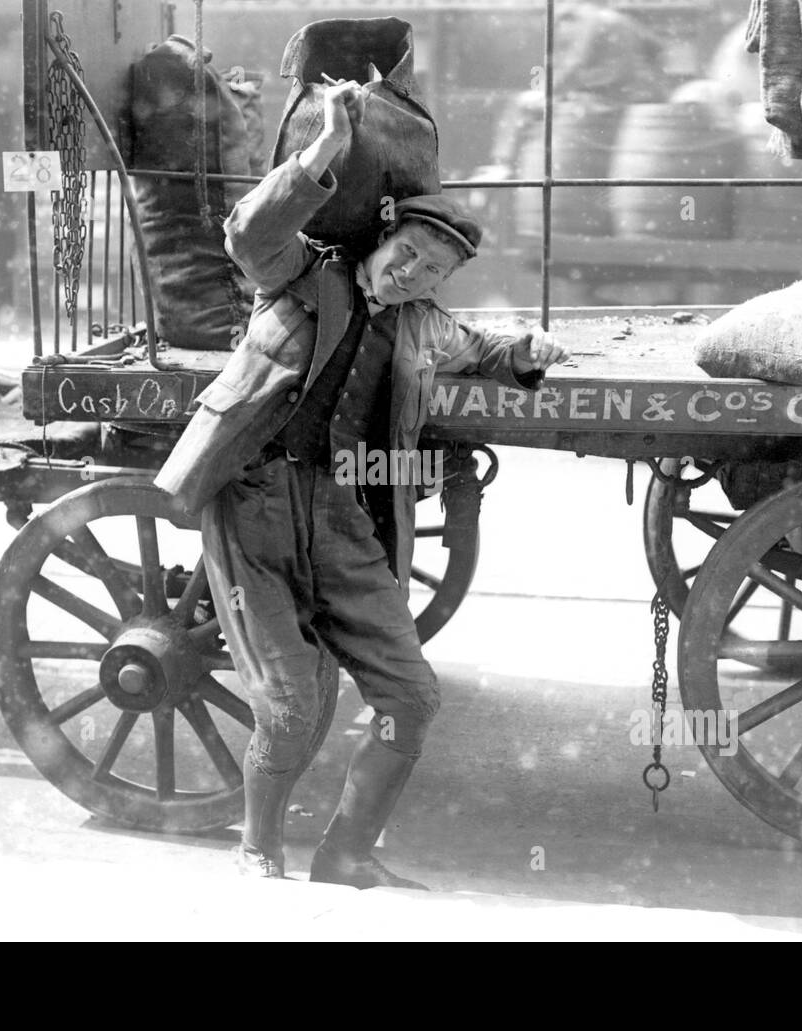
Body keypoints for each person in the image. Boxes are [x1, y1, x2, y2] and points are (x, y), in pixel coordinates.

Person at [155, 78, 567, 889]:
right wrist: (325, 148)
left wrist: (527, 353)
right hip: (257, 509)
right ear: (385, 234)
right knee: (290, 707)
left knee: (412, 697)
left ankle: (345, 852)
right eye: (408, 251)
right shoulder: (303, 277)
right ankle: (259, 850)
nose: (412, 271)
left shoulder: (422, 323)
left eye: (433, 269)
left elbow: (482, 349)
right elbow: (248, 233)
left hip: (345, 519)